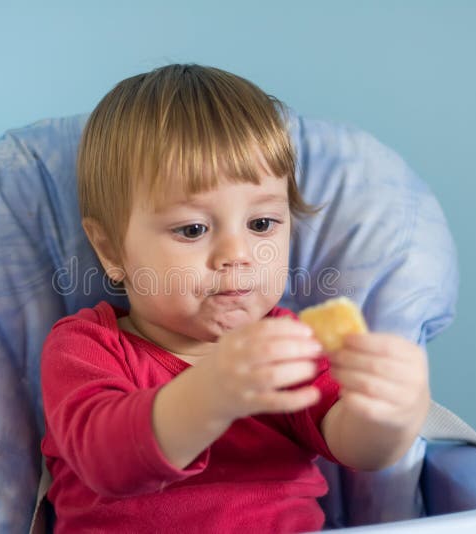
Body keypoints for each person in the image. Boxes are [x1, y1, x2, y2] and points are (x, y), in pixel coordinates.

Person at [40, 64, 430, 533]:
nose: (237, 255)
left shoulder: (293, 347)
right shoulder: (86, 347)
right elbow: (108, 463)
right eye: (193, 229)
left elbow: (358, 449)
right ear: (110, 249)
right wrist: (212, 393)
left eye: (262, 224)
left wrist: (394, 414)